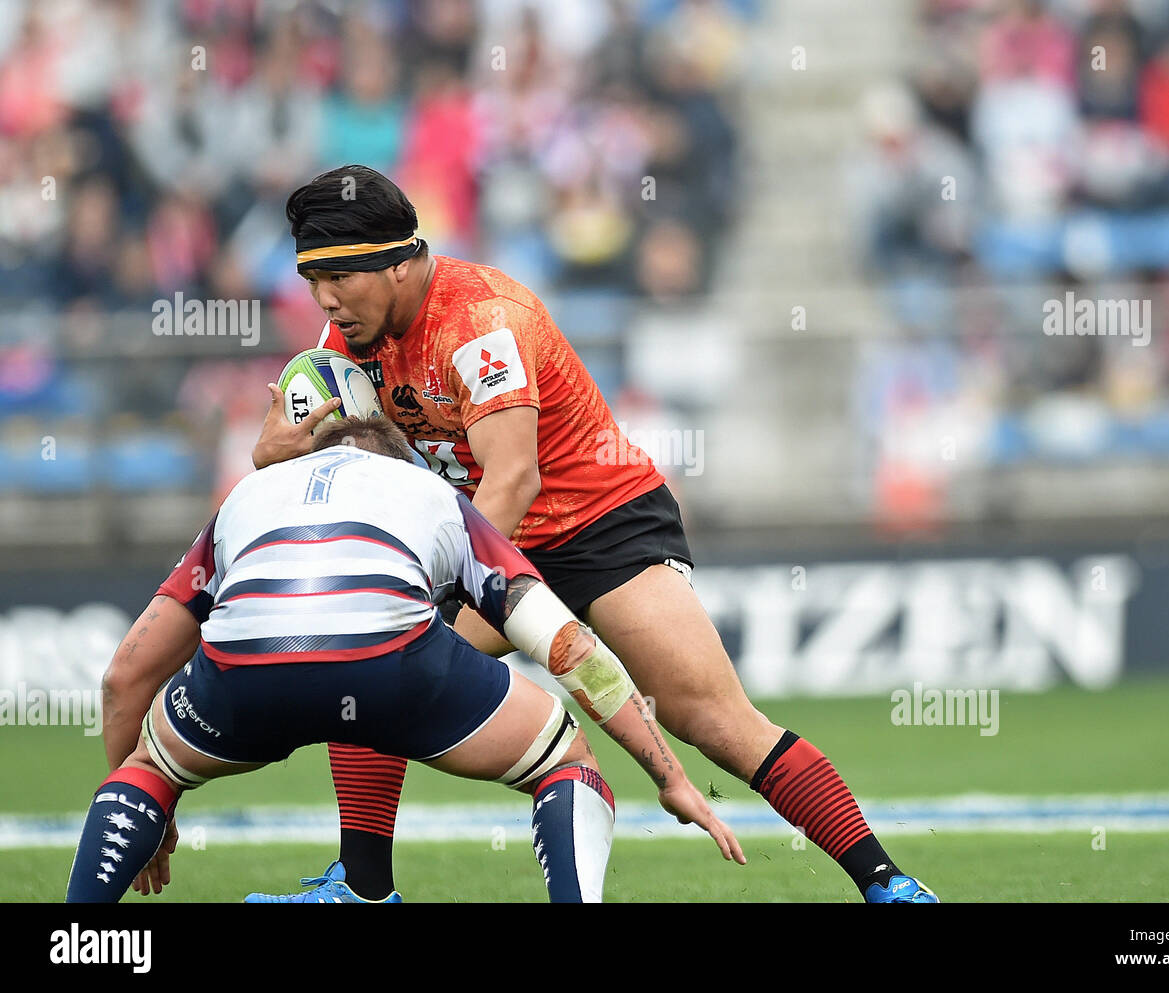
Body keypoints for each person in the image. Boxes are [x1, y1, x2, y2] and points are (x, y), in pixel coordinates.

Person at [247, 164, 937, 903]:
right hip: (497, 535)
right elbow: (300, 458)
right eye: (313, 279)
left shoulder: (482, 322)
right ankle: (363, 888)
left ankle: (888, 883)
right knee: (369, 662)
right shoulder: (346, 337)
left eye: (339, 278)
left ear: (397, 262)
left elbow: (515, 479)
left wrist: (436, 579)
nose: (324, 299)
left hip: (602, 526)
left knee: (710, 719)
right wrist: (276, 451)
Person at [68, 416, 742, 903]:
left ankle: (79, 941)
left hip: (243, 671)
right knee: (565, 761)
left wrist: (147, 812)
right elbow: (566, 645)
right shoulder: (431, 493)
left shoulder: (245, 497)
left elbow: (124, 676)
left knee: (147, 769)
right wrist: (668, 774)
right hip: (388, 661)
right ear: (402, 460)